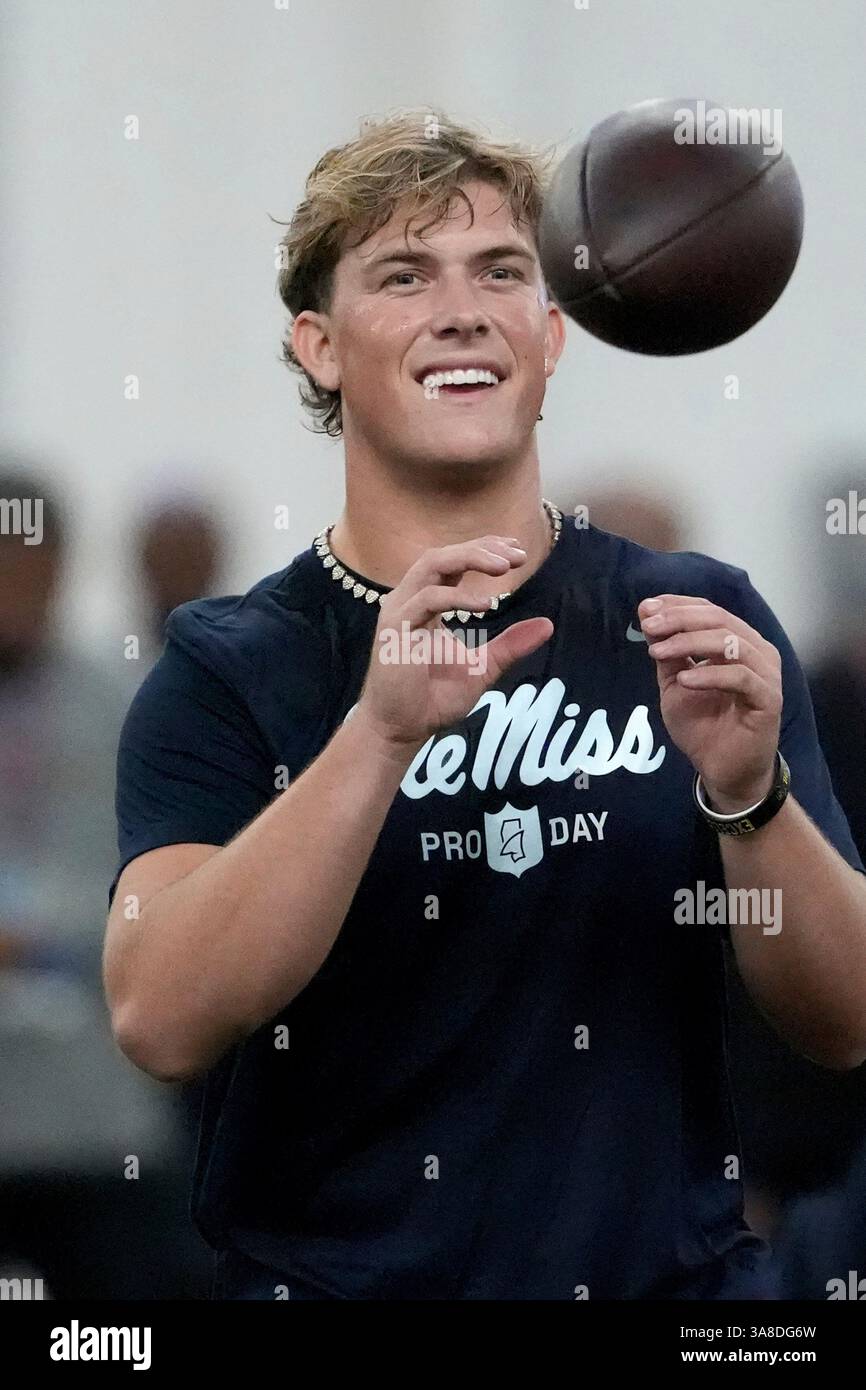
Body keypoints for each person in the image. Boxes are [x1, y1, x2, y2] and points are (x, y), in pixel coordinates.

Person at [103, 112, 866, 1301]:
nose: (461, 309)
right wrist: (375, 735)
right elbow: (158, 1014)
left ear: (550, 335)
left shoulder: (695, 621)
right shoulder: (229, 663)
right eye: (402, 276)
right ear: (317, 346)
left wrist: (746, 793)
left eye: (501, 272)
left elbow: (846, 1024)